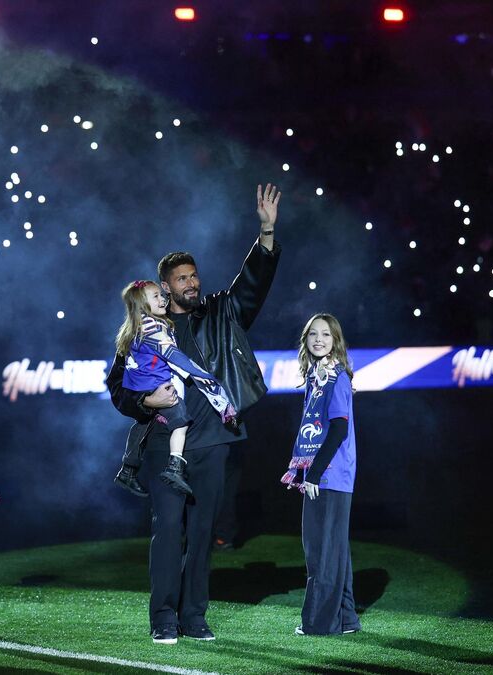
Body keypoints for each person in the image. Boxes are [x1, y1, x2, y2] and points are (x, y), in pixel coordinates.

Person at [105, 183, 281, 644]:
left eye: (194, 276)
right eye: (182, 278)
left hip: (212, 445)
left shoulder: (221, 314)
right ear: (165, 286)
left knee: (201, 535)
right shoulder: (143, 329)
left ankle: (194, 615)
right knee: (168, 535)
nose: (192, 283)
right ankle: (163, 616)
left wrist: (265, 233)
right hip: (164, 446)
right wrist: (146, 402)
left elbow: (251, 286)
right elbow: (117, 390)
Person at [114, 280, 237, 497]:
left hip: (144, 387)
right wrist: (201, 373)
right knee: (181, 420)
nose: (163, 299)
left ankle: (128, 469)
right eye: (156, 297)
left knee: (143, 423)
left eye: (162, 295)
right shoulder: (153, 326)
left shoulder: (136, 327)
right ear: (142, 304)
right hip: (155, 386)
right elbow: (173, 355)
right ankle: (175, 467)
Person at [282, 313, 361, 637]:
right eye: (313, 334)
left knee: (321, 552)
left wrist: (313, 474)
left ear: (335, 341)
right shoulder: (317, 377)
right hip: (325, 474)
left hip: (329, 476)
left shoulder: (335, 377)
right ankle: (346, 618)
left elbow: (339, 429)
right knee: (333, 549)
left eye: (325, 335)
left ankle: (318, 623)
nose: (318, 339)